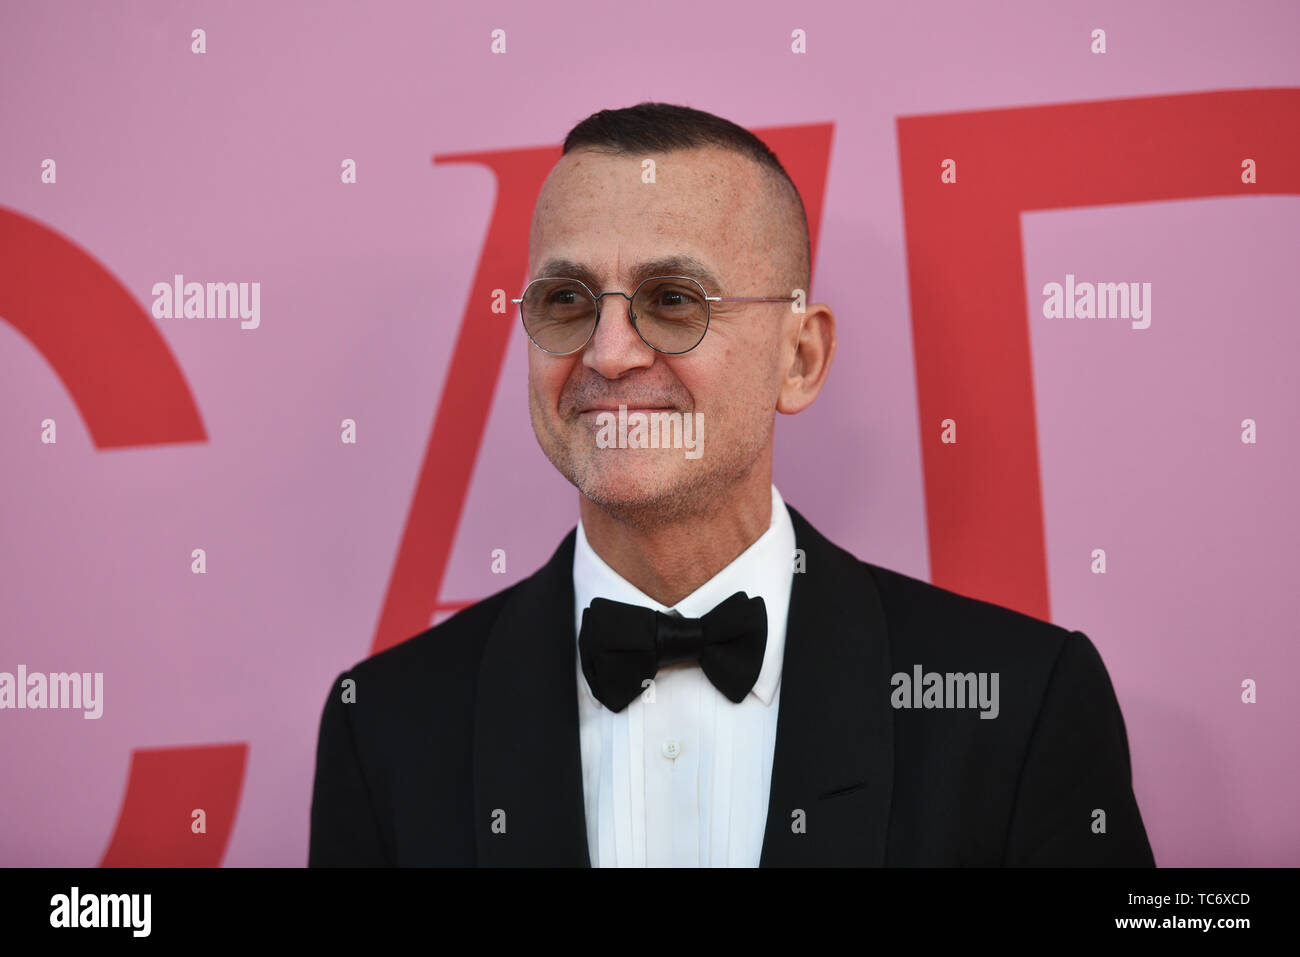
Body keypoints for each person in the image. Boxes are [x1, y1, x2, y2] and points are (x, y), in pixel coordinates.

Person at [308, 101, 1155, 867]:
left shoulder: (1020, 705)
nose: (608, 354)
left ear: (800, 357)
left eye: (674, 299)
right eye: (566, 299)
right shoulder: (382, 724)